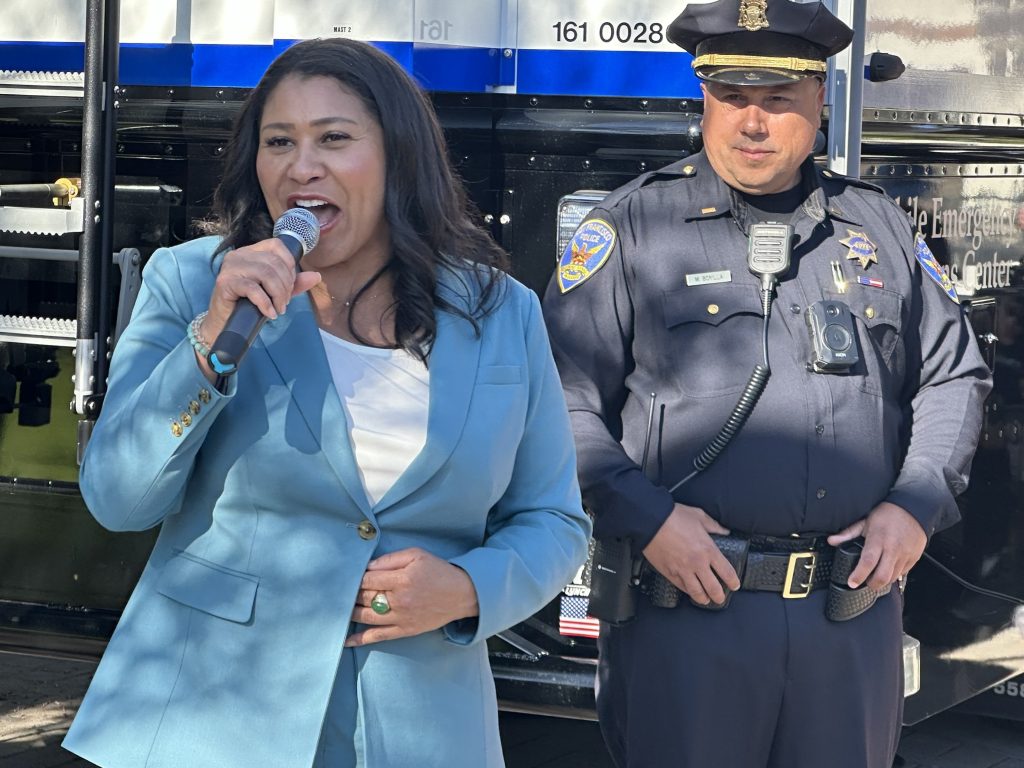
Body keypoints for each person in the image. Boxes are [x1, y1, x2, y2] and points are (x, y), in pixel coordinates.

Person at [63, 36, 590, 768]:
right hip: (211, 723)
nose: (301, 166)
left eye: (334, 139)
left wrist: (469, 587)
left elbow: (554, 520)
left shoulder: (502, 311)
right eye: (279, 141)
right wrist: (207, 346)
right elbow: (118, 499)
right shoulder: (193, 282)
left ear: (399, 156)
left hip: (422, 730)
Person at [542, 1, 992, 766]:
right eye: (732, 96)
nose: (752, 122)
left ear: (819, 100)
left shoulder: (878, 227)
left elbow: (953, 375)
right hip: (687, 617)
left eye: (778, 98)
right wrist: (647, 518)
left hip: (847, 617)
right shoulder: (633, 227)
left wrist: (914, 508)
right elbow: (560, 398)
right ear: (704, 98)